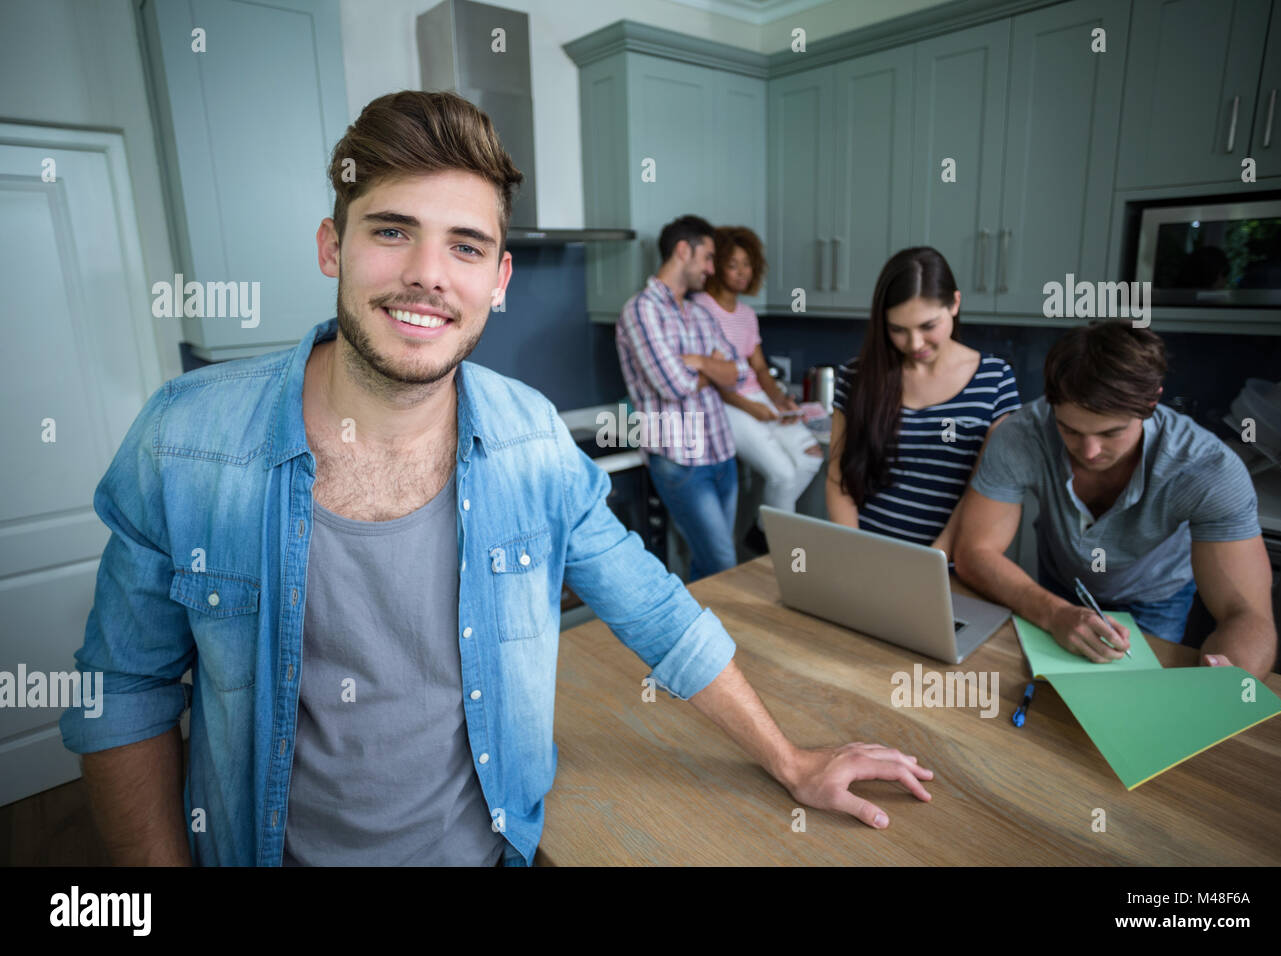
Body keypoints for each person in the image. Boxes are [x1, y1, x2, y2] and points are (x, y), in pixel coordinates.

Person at [59, 92, 935, 868]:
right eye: (392, 229)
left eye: (466, 246)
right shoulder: (187, 442)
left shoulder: (535, 443)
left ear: (499, 278)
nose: (428, 275)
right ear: (334, 245)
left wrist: (791, 760)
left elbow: (657, 611)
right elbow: (125, 693)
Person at [954, 320, 1277, 677]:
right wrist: (1055, 612)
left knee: (1135, 700)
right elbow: (974, 553)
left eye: (1112, 432)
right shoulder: (1021, 434)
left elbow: (1246, 614)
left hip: (1155, 598)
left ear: (1152, 401)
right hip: (1060, 585)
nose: (1090, 451)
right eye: (1070, 430)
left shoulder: (1208, 469)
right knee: (1048, 705)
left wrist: (1231, 682)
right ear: (1051, 404)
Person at [827, 247, 1021, 559]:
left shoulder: (995, 380)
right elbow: (839, 479)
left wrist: (930, 563)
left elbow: (983, 491)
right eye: (898, 330)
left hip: (949, 567)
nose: (914, 343)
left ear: (955, 304)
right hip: (867, 560)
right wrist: (856, 557)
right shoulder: (857, 376)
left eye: (928, 326)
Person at [615, 216, 743, 581]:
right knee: (723, 564)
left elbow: (737, 374)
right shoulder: (641, 310)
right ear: (682, 250)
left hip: (722, 454)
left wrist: (698, 363)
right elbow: (672, 384)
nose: (711, 268)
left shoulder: (700, 311)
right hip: (681, 462)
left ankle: (702, 636)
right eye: (707, 257)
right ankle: (719, 637)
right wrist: (710, 371)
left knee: (708, 567)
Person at [691, 226, 823, 553]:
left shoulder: (748, 315)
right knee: (782, 473)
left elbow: (760, 368)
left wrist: (780, 400)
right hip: (726, 404)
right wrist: (755, 410)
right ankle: (779, 553)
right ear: (716, 266)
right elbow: (712, 377)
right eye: (732, 264)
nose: (741, 272)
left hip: (758, 397)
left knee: (811, 457)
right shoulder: (700, 307)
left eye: (747, 264)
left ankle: (761, 533)